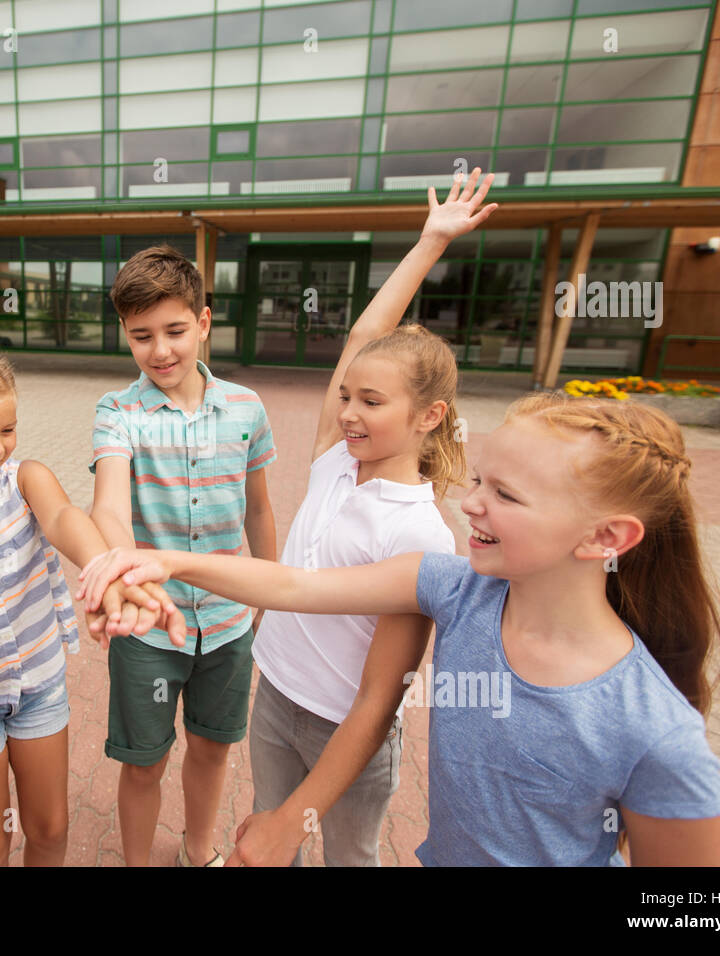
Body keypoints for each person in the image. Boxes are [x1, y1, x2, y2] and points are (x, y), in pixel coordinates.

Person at [79, 392, 720, 866]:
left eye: (506, 495)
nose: (470, 501)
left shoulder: (657, 734)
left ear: (606, 537)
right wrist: (162, 560)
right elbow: (295, 586)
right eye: (479, 479)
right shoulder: (456, 588)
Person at [235, 170, 497, 866]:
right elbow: (365, 333)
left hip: (345, 729)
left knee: (345, 857)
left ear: (429, 415)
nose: (349, 412)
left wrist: (301, 814)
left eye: (372, 402)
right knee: (270, 843)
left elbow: (381, 699)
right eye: (346, 395)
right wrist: (429, 243)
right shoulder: (332, 459)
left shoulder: (419, 533)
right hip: (276, 695)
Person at [0, 348, 175, 866]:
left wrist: (107, 577)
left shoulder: (26, 481)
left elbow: (66, 519)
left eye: (8, 430)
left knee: (49, 828)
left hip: (39, 687)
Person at [88, 245, 275, 866]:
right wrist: (128, 580)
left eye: (174, 330)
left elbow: (259, 508)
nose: (160, 350)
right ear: (125, 334)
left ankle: (200, 853)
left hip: (227, 622)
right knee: (144, 764)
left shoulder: (248, 408)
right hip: (146, 627)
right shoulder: (118, 412)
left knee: (213, 747)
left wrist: (265, 591)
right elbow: (109, 507)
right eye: (142, 336)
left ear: (203, 321)